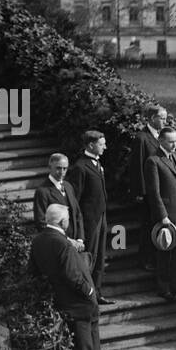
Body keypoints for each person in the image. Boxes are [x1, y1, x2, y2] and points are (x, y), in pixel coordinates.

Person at [29, 204, 107, 350]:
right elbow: (72, 275)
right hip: (79, 303)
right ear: (63, 222)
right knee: (84, 345)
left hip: (63, 300)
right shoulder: (62, 243)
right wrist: (89, 291)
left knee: (84, 345)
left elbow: (33, 271)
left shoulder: (38, 241)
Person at [67, 129, 115, 306]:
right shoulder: (80, 167)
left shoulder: (97, 164)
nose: (105, 147)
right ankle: (86, 293)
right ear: (91, 145)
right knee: (90, 257)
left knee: (100, 255)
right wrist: (78, 226)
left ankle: (97, 291)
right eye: (102, 144)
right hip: (89, 220)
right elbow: (75, 200)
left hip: (100, 217)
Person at [145, 127, 176, 302]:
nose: (174, 145)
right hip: (166, 216)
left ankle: (175, 284)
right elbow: (154, 193)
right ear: (161, 141)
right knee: (165, 252)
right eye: (171, 142)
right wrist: (162, 216)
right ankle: (163, 288)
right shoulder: (153, 161)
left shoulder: (173, 158)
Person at [132, 105, 169, 270]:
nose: (165, 121)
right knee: (147, 225)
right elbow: (136, 165)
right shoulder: (141, 138)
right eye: (162, 118)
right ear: (152, 118)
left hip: (160, 189)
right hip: (148, 191)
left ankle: (153, 259)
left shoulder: (162, 136)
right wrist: (140, 192)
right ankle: (144, 260)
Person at [32, 153, 84, 246]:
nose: (62, 172)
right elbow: (41, 223)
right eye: (58, 168)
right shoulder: (43, 191)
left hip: (75, 243)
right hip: (56, 244)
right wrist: (67, 240)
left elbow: (77, 214)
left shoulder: (68, 186)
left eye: (65, 168)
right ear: (50, 167)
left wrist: (80, 239)